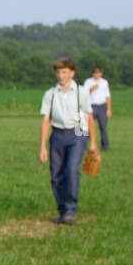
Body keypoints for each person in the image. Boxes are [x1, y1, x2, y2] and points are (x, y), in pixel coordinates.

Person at [39, 57, 97, 226]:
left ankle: (71, 210)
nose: (61, 76)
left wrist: (92, 143)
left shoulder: (81, 92)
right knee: (56, 175)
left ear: (72, 73)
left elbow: (89, 116)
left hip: (78, 131)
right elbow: (45, 120)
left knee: (71, 169)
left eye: (64, 72)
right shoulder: (50, 94)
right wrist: (42, 146)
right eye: (58, 72)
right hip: (57, 132)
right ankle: (62, 209)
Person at [83, 66, 112, 151]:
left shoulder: (104, 82)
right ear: (93, 74)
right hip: (91, 106)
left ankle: (105, 146)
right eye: (95, 73)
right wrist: (92, 89)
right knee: (87, 126)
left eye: (98, 73)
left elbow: (108, 96)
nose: (97, 75)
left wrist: (109, 109)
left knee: (103, 127)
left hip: (102, 106)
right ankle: (83, 145)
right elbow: (84, 94)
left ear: (101, 73)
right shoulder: (88, 82)